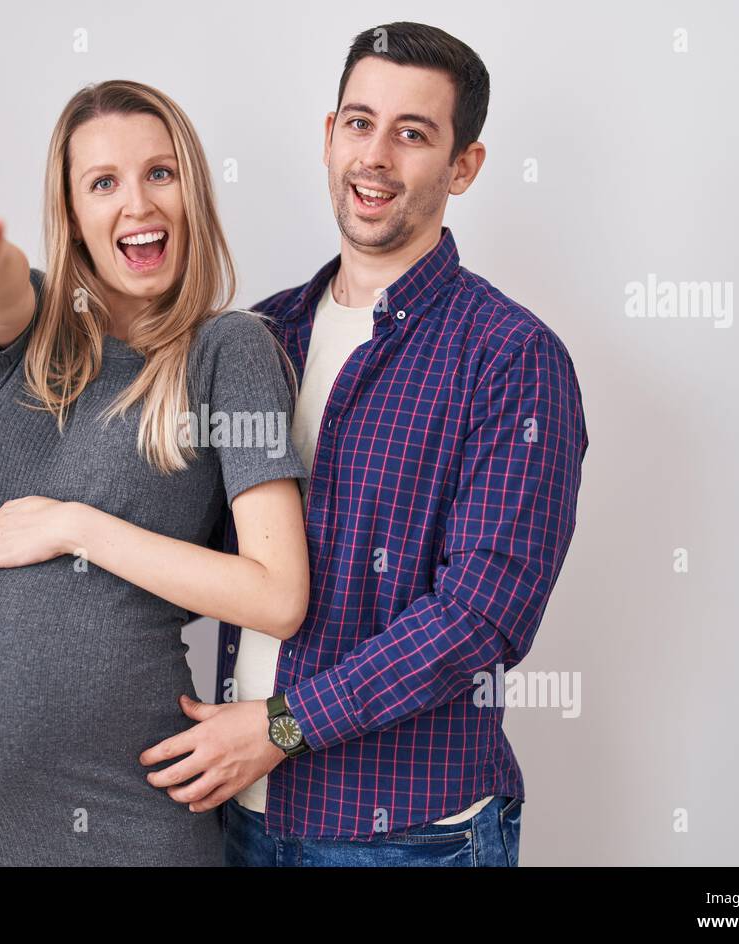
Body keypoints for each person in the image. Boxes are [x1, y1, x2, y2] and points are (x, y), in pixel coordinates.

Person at [138, 21, 590, 867]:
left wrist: (282, 728)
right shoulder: (260, 336)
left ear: (464, 167)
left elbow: (480, 617)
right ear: (328, 136)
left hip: (409, 836)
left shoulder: (513, 358)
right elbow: (186, 536)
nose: (375, 156)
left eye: (412, 134)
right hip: (234, 815)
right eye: (359, 122)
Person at [0, 80, 310, 866]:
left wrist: (73, 526)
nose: (138, 204)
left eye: (161, 173)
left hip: (124, 818)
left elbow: (278, 593)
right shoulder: (47, 335)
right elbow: (4, 283)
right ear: (74, 216)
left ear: (192, 189)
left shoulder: (229, 352)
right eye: (103, 183)